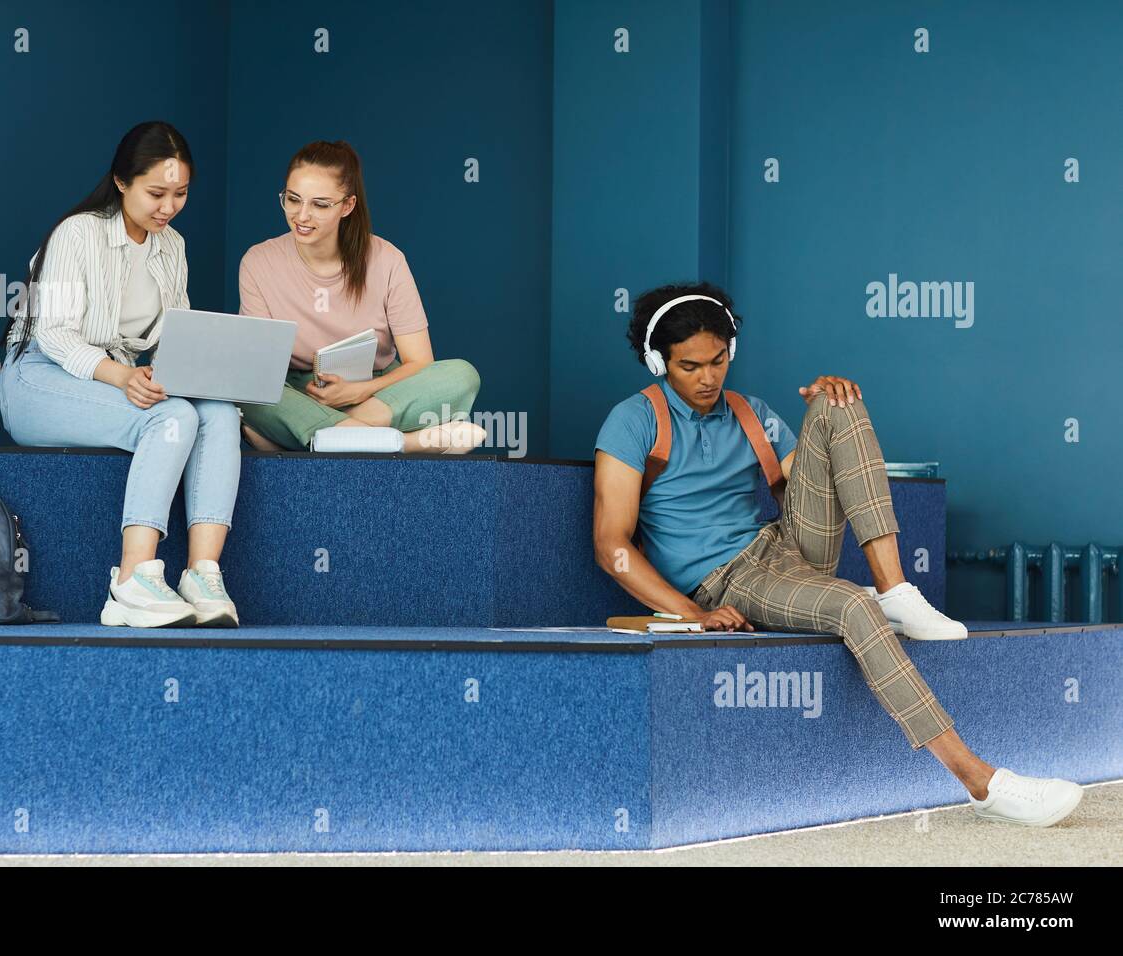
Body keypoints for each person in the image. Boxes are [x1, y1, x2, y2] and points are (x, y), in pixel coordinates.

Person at [591, 281, 1084, 828]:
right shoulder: (633, 422)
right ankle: (982, 781)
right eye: (689, 367)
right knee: (853, 607)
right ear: (660, 362)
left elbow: (807, 483)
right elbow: (611, 545)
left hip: (782, 545)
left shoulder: (748, 412)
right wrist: (695, 614)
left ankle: (895, 590)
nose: (708, 378)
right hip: (725, 581)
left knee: (836, 400)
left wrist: (829, 412)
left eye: (718, 360)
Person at [0, 121, 241, 629]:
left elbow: (174, 332)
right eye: (156, 192)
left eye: (181, 194)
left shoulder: (171, 246)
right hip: (39, 378)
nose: (168, 207)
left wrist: (185, 371)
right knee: (169, 417)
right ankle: (133, 580)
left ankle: (202, 573)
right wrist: (120, 376)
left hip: (116, 375)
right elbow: (56, 335)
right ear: (122, 181)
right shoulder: (77, 233)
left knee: (218, 412)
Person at [236, 140, 485, 453]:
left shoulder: (386, 259)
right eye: (293, 200)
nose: (302, 215)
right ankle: (404, 443)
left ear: (348, 205)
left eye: (320, 205)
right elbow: (259, 368)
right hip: (300, 391)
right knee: (247, 394)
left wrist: (360, 391)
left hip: (379, 389)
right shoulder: (259, 261)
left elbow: (420, 362)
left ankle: (322, 435)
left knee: (462, 375)